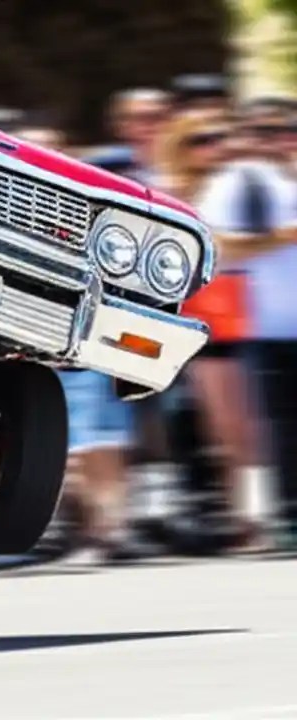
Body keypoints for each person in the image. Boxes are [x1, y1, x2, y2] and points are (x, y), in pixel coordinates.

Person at [187, 103, 297, 551]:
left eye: (284, 128)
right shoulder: (236, 184)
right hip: (269, 329)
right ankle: (285, 520)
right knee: (280, 430)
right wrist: (284, 236)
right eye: (263, 130)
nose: (276, 138)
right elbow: (219, 245)